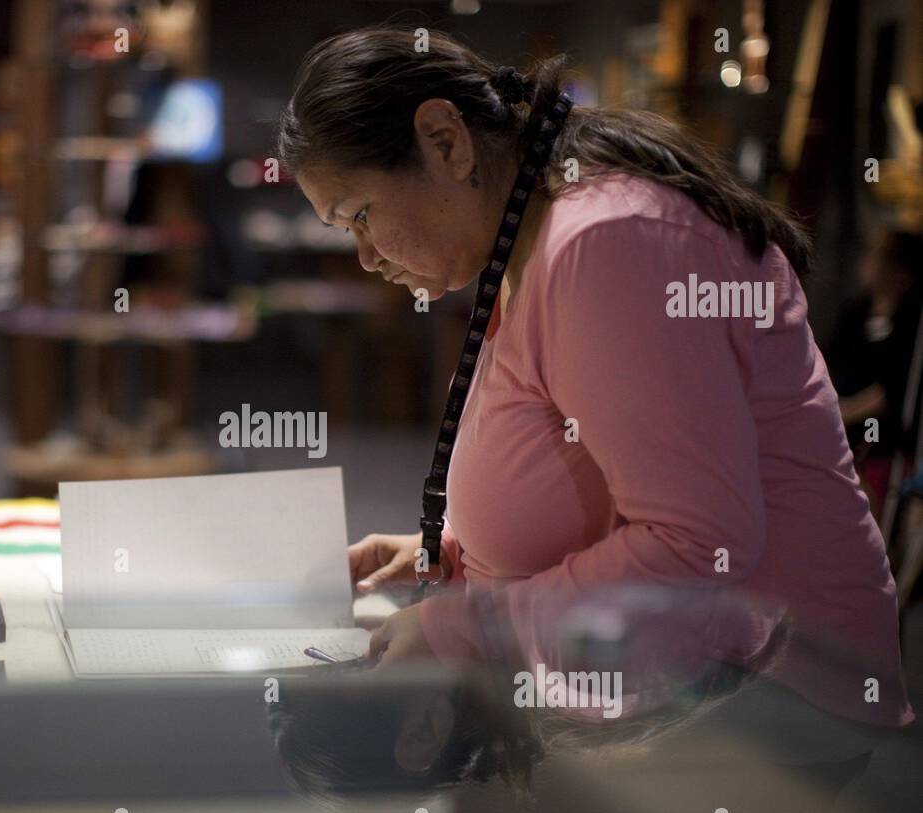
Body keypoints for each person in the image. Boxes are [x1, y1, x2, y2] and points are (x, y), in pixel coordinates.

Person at [274, 27, 913, 743]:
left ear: (445, 142)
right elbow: (584, 471)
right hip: (691, 702)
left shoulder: (606, 243)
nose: (364, 256)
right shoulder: (533, 239)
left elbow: (696, 541)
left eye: (360, 214)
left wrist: (473, 623)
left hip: (775, 721)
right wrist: (454, 554)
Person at [824, 228, 923, 520]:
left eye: (879, 256)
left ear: (901, 272)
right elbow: (827, 364)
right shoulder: (855, 313)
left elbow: (892, 391)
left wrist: (840, 413)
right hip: (837, 433)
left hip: (882, 446)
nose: (868, 262)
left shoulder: (912, 326)